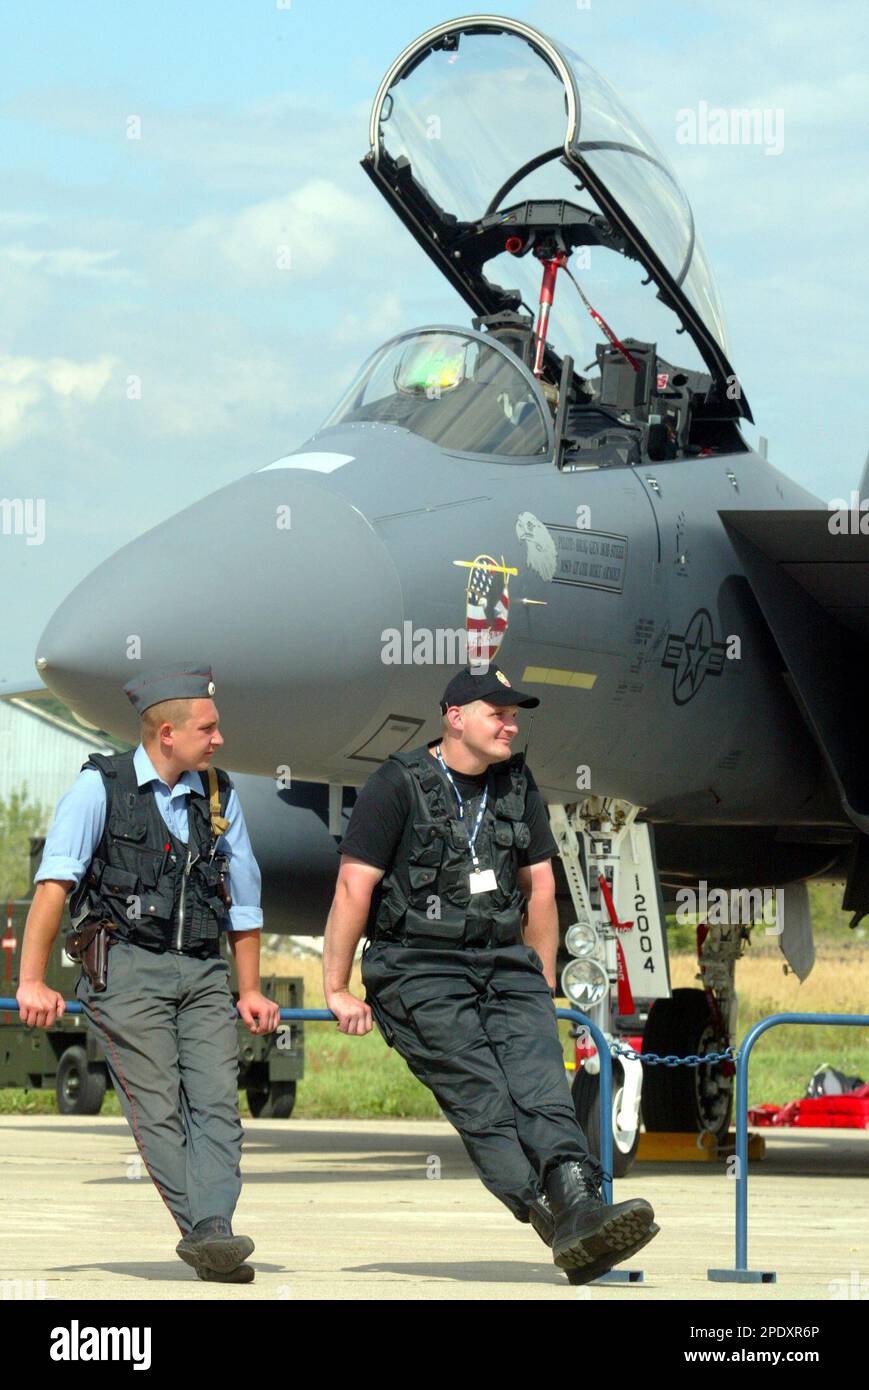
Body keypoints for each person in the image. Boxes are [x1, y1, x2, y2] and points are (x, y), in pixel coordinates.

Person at [323, 664, 659, 1282]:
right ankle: (554, 1221)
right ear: (455, 718)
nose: (510, 724)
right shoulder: (397, 784)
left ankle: (583, 1205)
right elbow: (353, 887)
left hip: (504, 963)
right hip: (416, 967)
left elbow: (539, 886)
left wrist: (540, 977)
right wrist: (338, 987)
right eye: (496, 713)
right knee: (485, 1099)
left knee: (541, 1084)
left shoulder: (514, 782)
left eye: (514, 715)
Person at [16, 663, 279, 1284]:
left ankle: (210, 1230)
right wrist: (32, 980)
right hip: (126, 968)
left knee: (217, 1102)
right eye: (208, 729)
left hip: (203, 970)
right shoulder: (98, 788)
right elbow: (55, 885)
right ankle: (210, 1232)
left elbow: (243, 899)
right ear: (167, 733)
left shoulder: (220, 797)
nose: (218, 740)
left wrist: (248, 988)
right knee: (158, 1107)